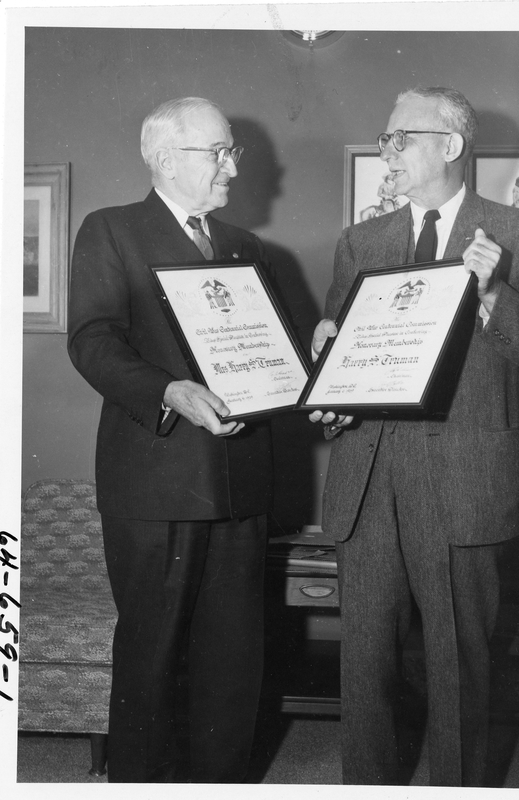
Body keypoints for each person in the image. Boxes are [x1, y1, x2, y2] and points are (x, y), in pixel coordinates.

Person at [309, 87, 519, 786]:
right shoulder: (361, 241)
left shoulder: (515, 232)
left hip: (464, 475)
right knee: (366, 666)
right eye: (385, 140)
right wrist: (329, 385)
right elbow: (340, 353)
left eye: (400, 138)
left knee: (459, 665)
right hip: (369, 474)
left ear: (449, 145)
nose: (389, 152)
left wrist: (494, 294)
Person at [68, 97, 274, 783]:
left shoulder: (246, 248)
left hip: (238, 485)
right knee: (152, 661)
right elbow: (93, 340)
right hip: (155, 484)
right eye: (217, 153)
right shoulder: (112, 231)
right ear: (164, 160)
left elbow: (270, 355)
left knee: (233, 662)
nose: (232, 167)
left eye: (232, 152)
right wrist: (167, 391)